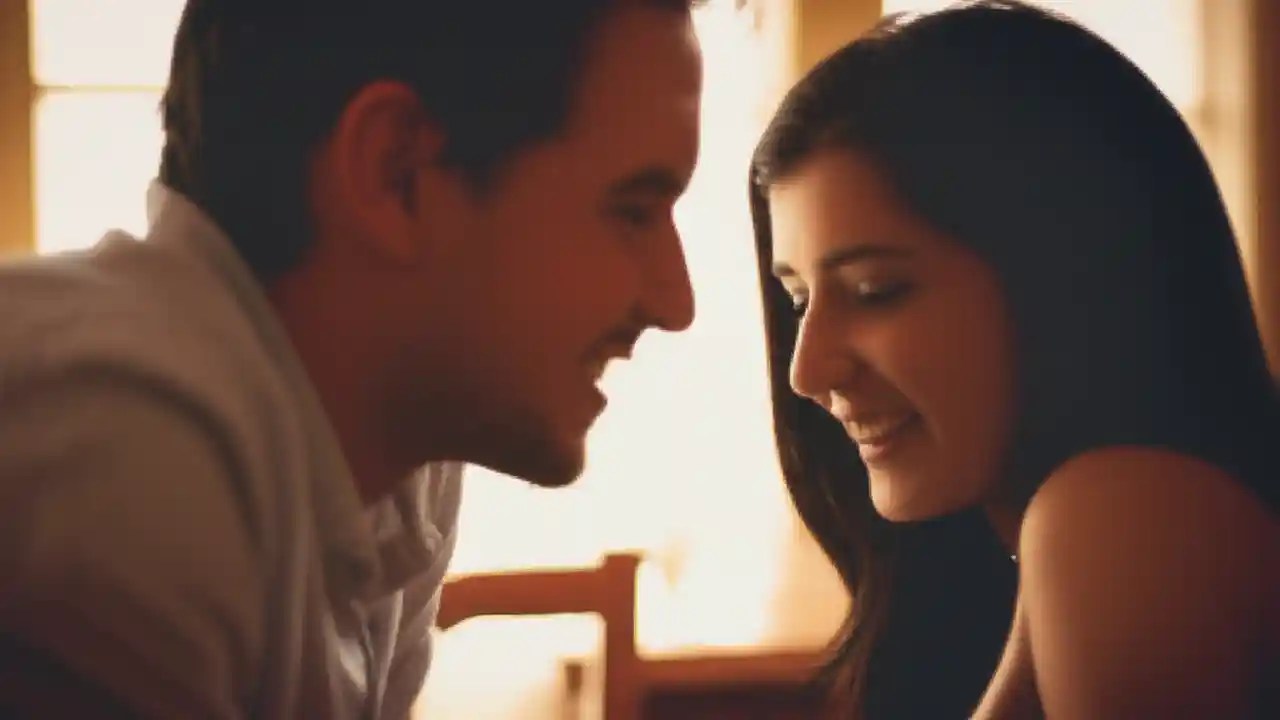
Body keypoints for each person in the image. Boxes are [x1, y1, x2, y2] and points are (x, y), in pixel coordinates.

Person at [0, 0, 703, 717]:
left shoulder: (399, 464)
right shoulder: (133, 445)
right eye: (633, 210)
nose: (676, 303)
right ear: (396, 173)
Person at [749, 2, 1279, 718]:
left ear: (1066, 275)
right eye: (798, 299)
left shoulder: (1123, 515)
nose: (807, 372)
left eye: (876, 291)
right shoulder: (1018, 561)